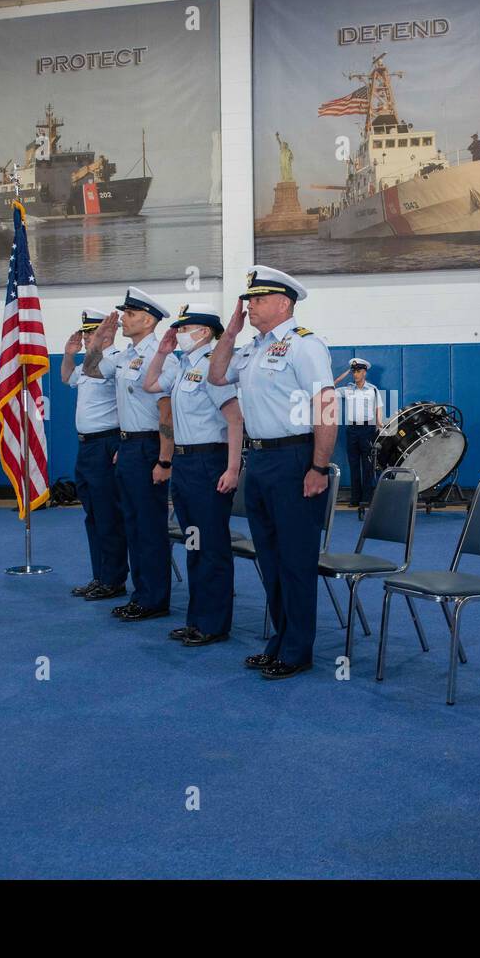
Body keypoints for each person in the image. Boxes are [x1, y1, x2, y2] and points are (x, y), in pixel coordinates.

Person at [208, 266, 338, 680]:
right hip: (260, 461)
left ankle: (298, 649)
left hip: (295, 459)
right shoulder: (251, 347)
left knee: (296, 560)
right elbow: (215, 375)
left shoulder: (305, 346)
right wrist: (229, 333)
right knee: (270, 558)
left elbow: (327, 407)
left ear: (284, 303)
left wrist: (319, 467)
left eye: (258, 299)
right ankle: (280, 640)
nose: (249, 306)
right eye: (248, 300)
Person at [143, 303, 243, 647]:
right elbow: (150, 383)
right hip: (185, 464)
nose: (180, 334)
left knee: (211, 545)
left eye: (185, 330)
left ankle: (213, 623)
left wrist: (232, 468)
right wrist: (161, 351)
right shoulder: (184, 365)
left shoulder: (213, 366)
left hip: (208, 462)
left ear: (203, 332)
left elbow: (235, 419)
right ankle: (197, 619)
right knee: (194, 543)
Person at [81, 288, 179, 624]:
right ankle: (142, 594)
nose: (122, 319)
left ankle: (154, 599)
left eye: (129, 314)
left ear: (148, 319)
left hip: (150, 445)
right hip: (127, 447)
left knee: (150, 526)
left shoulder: (161, 356)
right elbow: (92, 370)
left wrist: (164, 461)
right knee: (133, 524)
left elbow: (166, 412)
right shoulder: (126, 354)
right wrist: (98, 343)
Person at [62, 308, 128, 601]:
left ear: (108, 332)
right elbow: (67, 378)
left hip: (106, 443)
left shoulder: (116, 360)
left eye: (94, 332)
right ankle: (99, 575)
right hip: (86, 446)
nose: (89, 337)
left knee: (108, 515)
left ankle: (114, 579)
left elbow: (131, 405)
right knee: (92, 515)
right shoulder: (88, 363)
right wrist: (68, 353)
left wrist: (121, 446)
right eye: (87, 333)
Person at [333, 357, 384, 506]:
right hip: (352, 430)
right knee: (353, 464)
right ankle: (355, 498)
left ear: (364, 373)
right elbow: (330, 388)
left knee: (367, 465)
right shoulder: (347, 389)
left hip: (367, 429)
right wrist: (344, 374)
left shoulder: (373, 390)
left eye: (358, 371)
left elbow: (378, 408)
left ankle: (367, 498)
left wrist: (379, 424)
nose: (355, 374)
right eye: (353, 371)